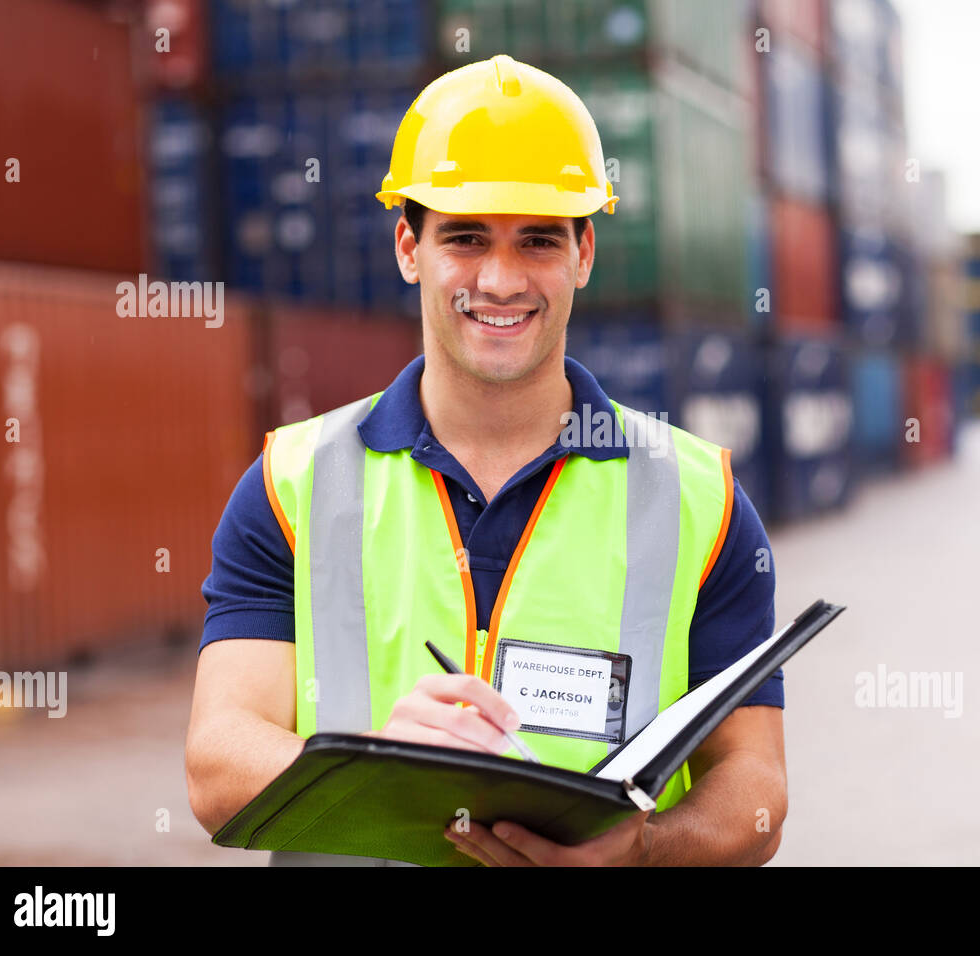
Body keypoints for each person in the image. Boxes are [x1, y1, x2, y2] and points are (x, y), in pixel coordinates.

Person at [185, 54, 786, 866]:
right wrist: (379, 769)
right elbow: (217, 767)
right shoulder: (289, 487)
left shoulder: (700, 502)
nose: (501, 280)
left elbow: (755, 791)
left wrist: (645, 847)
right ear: (409, 247)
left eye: (537, 241)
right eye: (466, 238)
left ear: (584, 253)